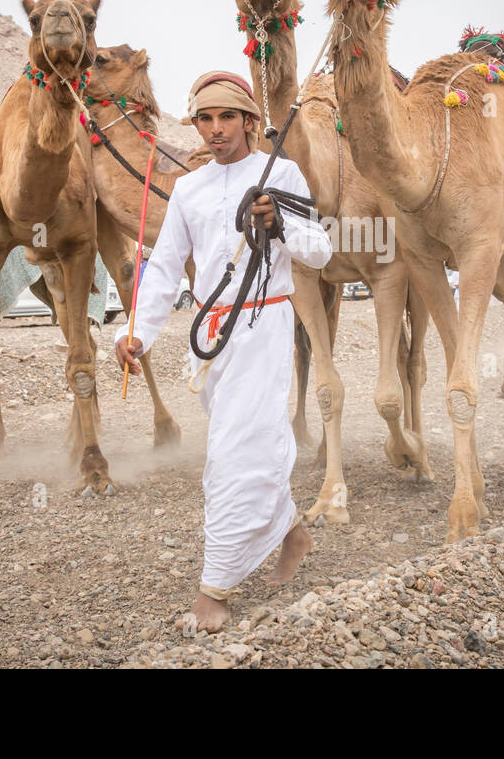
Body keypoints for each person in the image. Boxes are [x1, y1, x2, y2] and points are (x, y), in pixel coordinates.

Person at [114, 71, 332, 634]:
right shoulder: (188, 188)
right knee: (251, 441)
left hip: (265, 321)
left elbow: (320, 251)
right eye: (205, 119)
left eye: (226, 117)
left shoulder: (279, 173)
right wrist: (137, 331)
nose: (215, 130)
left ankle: (215, 589)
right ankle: (292, 531)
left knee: (232, 453)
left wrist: (279, 222)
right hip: (210, 336)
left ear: (250, 121)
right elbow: (164, 268)